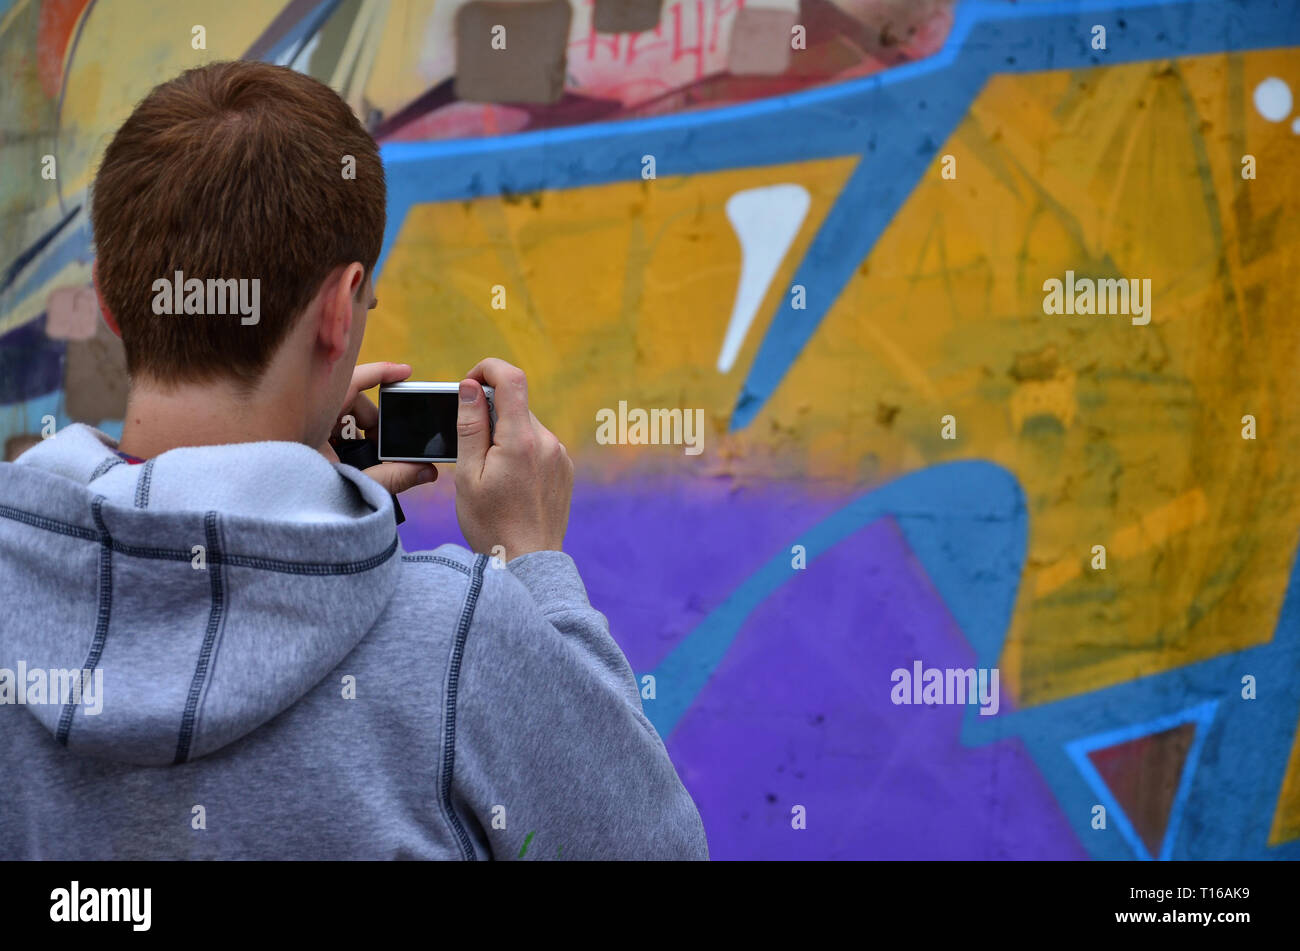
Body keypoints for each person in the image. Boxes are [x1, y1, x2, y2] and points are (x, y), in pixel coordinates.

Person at [0, 60, 708, 861]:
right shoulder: (462, 640)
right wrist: (534, 561)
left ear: (108, 300)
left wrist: (284, 523)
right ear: (340, 309)